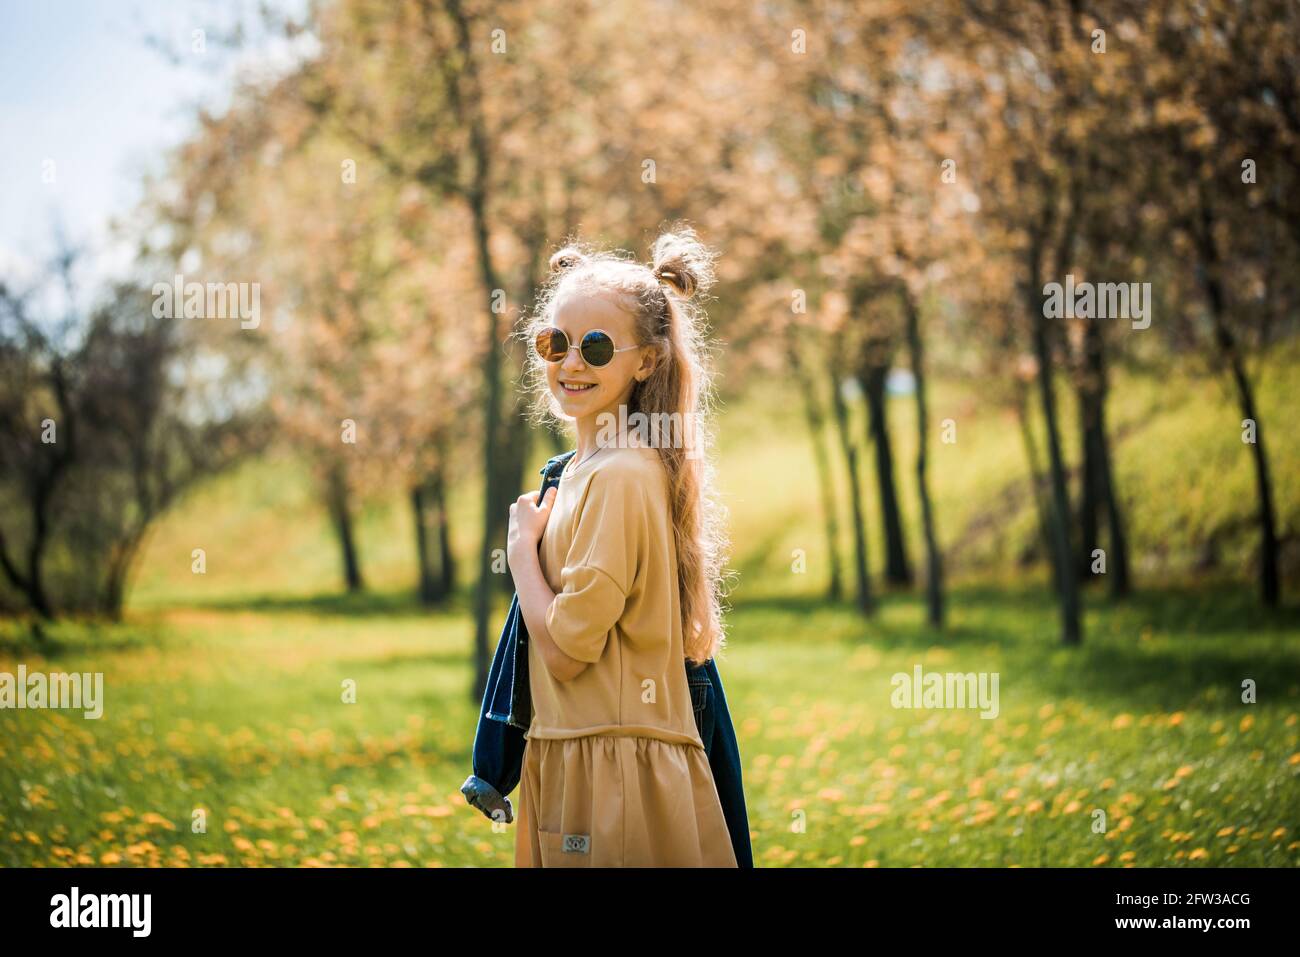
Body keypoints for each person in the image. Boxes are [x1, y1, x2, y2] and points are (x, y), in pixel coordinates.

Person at [505, 225, 738, 866]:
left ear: (646, 361)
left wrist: (522, 555)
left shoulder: (621, 476)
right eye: (555, 342)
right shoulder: (582, 472)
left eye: (597, 347)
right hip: (573, 750)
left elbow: (568, 653)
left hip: (613, 775)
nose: (570, 363)